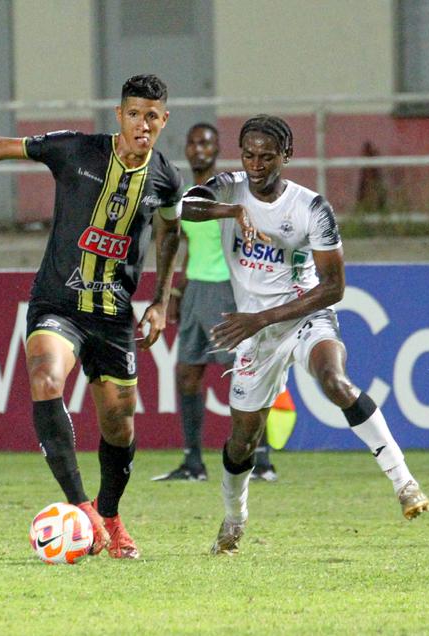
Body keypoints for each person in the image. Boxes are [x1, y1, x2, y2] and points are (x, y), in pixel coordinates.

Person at [0, 74, 183, 560]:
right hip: (58, 304)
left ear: (164, 120)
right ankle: (83, 511)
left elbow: (171, 232)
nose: (142, 124)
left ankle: (110, 514)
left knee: (120, 425)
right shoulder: (77, 150)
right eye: (134, 114)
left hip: (113, 316)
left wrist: (161, 300)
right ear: (119, 115)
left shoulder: (166, 179)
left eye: (151, 116)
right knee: (46, 379)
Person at [179, 114, 429, 555]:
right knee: (243, 438)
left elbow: (333, 288)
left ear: (287, 155)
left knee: (335, 381)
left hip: (302, 316)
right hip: (256, 335)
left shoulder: (311, 208)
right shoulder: (231, 187)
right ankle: (234, 518)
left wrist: (262, 317)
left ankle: (404, 482)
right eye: (249, 155)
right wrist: (232, 211)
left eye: (267, 156)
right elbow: (184, 206)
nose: (257, 165)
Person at [152, 123, 280, 482]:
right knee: (187, 374)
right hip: (196, 290)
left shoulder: (231, 192)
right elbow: (192, 247)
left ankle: (261, 459)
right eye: (193, 143)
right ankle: (193, 463)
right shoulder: (185, 195)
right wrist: (177, 292)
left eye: (206, 143)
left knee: (244, 372)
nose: (198, 149)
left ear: (217, 148)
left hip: (228, 289)